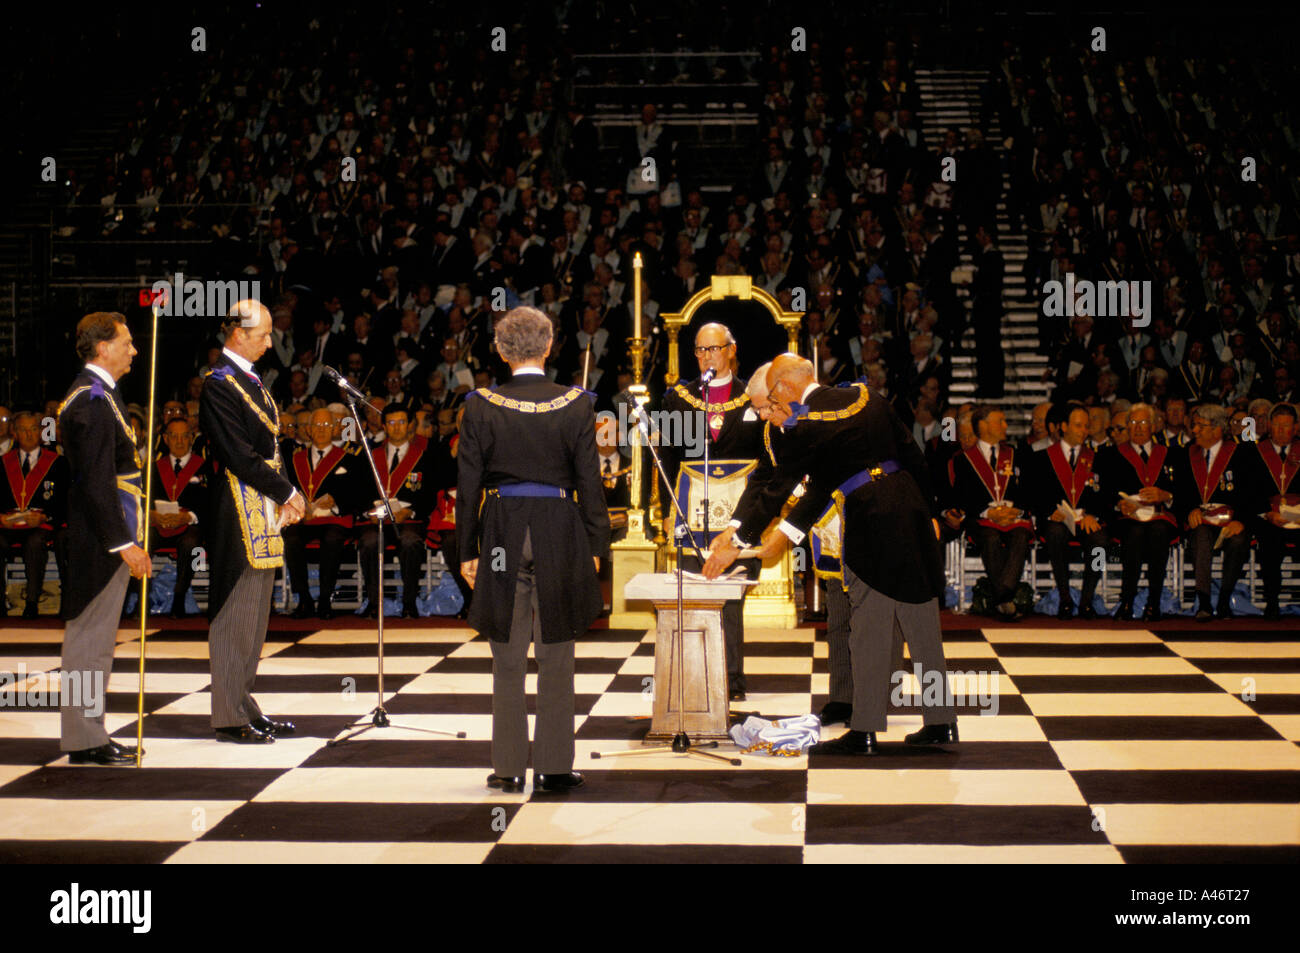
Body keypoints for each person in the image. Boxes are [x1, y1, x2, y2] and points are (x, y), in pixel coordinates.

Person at [704, 354, 956, 756]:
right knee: (922, 622)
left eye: (771, 400)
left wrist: (750, 540)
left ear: (785, 387)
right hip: (909, 507)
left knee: (869, 626)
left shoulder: (806, 424)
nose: (772, 411)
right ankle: (941, 721)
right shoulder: (866, 397)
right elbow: (911, 454)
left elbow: (785, 487)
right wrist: (931, 513)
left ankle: (865, 729)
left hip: (871, 514)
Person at [457, 305, 608, 794]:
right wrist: (595, 544)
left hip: (501, 528)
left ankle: (506, 768)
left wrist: (467, 550)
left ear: (501, 351)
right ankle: (555, 768)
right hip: (561, 528)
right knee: (557, 650)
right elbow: (591, 482)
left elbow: (467, 487)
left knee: (506, 651)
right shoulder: (578, 403)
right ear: (549, 346)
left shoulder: (479, 404)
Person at [200, 300, 306, 743]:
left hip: (260, 505)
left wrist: (283, 493)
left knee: (256, 614)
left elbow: (270, 450)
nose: (270, 342)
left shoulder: (249, 379)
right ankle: (228, 713)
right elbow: (237, 452)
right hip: (236, 506)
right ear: (238, 335)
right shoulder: (219, 383)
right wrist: (287, 490)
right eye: (263, 334)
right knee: (235, 610)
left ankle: (243, 702)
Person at [55, 312, 149, 764]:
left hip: (102, 536)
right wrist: (124, 544)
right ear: (103, 348)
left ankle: (87, 735)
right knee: (89, 642)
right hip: (100, 542)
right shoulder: (91, 401)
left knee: (95, 643)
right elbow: (95, 482)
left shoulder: (100, 395)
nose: (134, 350)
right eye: (127, 342)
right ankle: (84, 739)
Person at [658, 322, 763, 701]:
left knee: (730, 592)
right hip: (690, 505)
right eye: (700, 350)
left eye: (714, 349)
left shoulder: (753, 394)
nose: (706, 357)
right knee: (693, 592)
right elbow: (667, 456)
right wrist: (667, 506)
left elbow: (767, 458)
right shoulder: (679, 397)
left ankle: (732, 679)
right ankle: (692, 675)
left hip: (739, 508)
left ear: (731, 350)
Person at [1095, 403, 1178, 621]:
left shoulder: (1170, 454)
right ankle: (1127, 599)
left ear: (1153, 426)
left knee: (1158, 530)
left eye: (1143, 423)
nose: (1138, 428)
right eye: (1132, 423)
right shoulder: (1110, 456)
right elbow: (1101, 493)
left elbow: (1183, 492)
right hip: (1126, 519)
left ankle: (1154, 601)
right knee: (1136, 533)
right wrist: (1118, 504)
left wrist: (1166, 496)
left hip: (1160, 517)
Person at [950, 405, 1034, 619]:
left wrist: (1016, 509)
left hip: (1013, 518)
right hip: (981, 521)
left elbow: (1029, 490)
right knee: (991, 537)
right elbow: (962, 497)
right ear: (983, 425)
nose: (1005, 425)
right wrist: (988, 513)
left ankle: (1001, 596)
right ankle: (1006, 597)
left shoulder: (1017, 454)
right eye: (1000, 421)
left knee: (1021, 535)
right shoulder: (963, 459)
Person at [1029, 404, 1107, 619]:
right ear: (1063, 427)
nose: (1084, 431)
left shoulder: (1097, 458)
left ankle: (1087, 599)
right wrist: (1049, 511)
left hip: (1086, 519)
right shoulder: (1042, 457)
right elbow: (1034, 494)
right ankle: (1064, 597)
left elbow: (1105, 495)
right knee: (1054, 534)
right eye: (1078, 425)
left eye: (1086, 426)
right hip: (1057, 520)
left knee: (1100, 543)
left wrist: (1094, 515)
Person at [284, 408, 361, 619]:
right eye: (317, 425)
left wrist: (335, 502)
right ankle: (305, 599)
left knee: (332, 538)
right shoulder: (294, 460)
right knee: (290, 538)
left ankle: (325, 599)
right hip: (304, 519)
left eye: (327, 425)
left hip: (334, 518)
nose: (322, 430)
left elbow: (356, 492)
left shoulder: (349, 458)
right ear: (308, 430)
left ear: (336, 428)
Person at [357, 405, 434, 617]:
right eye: (391, 423)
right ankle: (374, 603)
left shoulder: (424, 457)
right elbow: (359, 491)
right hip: (377, 522)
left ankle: (409, 603)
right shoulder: (371, 456)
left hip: (409, 521)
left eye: (401, 422)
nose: (397, 428)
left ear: (410, 425)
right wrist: (368, 513)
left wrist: (411, 512)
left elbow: (429, 495)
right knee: (369, 542)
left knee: (411, 543)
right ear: (384, 426)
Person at [1174, 404, 1248, 621]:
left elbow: (1252, 494)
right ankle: (1204, 602)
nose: (1194, 430)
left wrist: (1241, 520)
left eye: (1199, 426)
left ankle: (1224, 600)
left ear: (1217, 429)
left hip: (1230, 521)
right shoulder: (1186, 454)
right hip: (1201, 523)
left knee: (1238, 541)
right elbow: (1178, 494)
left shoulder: (1240, 454)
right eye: (1194, 425)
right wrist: (1189, 510)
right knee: (1200, 537)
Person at [0, 411, 69, 617]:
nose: (28, 434)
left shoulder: (58, 463)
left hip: (41, 525)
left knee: (35, 542)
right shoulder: (3, 463)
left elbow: (64, 501)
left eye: (33, 429)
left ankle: (31, 602)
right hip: (9, 525)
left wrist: (44, 517)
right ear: (14, 432)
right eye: (23, 429)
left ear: (41, 431)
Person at [1240, 403, 1299, 619]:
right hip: (1268, 517)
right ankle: (1272, 601)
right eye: (1277, 425)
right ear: (1270, 427)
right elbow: (1247, 493)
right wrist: (1268, 513)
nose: (1282, 431)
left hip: (1299, 515)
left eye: (1287, 426)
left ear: (1295, 428)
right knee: (1270, 541)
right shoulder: (1253, 453)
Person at [148, 418, 209, 618]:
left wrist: (188, 517)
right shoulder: (153, 469)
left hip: (192, 526)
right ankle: (140, 596)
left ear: (192, 438)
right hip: (159, 524)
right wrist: (153, 516)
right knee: (140, 540)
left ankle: (179, 597)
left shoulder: (204, 467)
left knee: (191, 545)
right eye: (174, 436)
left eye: (185, 435)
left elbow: (211, 504)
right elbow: (142, 501)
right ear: (165, 439)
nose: (180, 441)